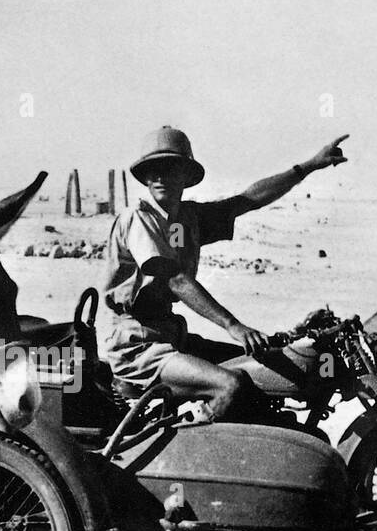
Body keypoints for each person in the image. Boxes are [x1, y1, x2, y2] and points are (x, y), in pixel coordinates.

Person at [99, 125, 349, 420]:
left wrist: (307, 167)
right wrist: (234, 326)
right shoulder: (139, 218)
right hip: (138, 349)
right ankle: (186, 445)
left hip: (172, 338)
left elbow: (247, 200)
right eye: (152, 170)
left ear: (185, 174)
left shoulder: (187, 218)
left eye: (169, 167)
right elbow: (176, 280)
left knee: (262, 367)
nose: (159, 176)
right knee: (231, 384)